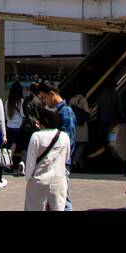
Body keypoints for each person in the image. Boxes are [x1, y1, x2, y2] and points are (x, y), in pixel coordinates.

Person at [36, 81, 76, 209]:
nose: (44, 102)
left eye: (44, 98)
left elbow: (66, 140)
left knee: (62, 200)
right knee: (57, 198)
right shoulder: (57, 111)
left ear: (52, 94)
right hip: (55, 162)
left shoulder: (65, 112)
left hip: (61, 162)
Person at [23, 102, 69, 211]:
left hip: (39, 181)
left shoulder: (36, 136)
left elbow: (30, 162)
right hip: (58, 181)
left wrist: (29, 178)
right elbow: (66, 159)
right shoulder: (64, 136)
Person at [5, 81, 27, 175]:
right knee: (23, 147)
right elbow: (23, 114)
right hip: (19, 127)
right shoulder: (21, 102)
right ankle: (22, 164)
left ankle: (7, 163)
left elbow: (6, 116)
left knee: (11, 146)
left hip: (10, 127)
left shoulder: (7, 101)